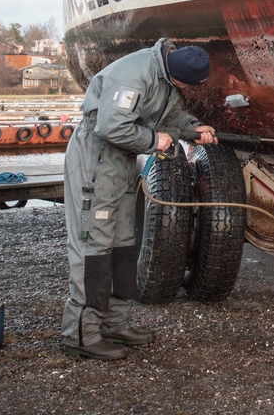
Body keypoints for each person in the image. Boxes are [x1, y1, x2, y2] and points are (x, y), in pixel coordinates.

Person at [60, 39, 217, 360]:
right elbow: (110, 125)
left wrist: (192, 126)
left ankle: (115, 323)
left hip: (123, 158)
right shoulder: (135, 75)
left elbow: (169, 114)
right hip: (98, 156)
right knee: (94, 244)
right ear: (180, 77)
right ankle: (81, 334)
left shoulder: (167, 76)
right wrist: (153, 139)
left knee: (121, 243)